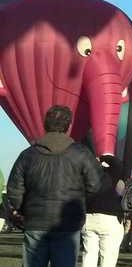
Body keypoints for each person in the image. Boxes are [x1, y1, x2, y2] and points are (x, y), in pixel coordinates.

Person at [4, 105, 102, 267]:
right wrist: (79, 205)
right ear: (69, 125)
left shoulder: (28, 155)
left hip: (35, 222)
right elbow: (95, 186)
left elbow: (14, 190)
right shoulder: (81, 153)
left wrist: (21, 211)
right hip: (68, 223)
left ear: (45, 124)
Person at [81, 155, 128, 267]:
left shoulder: (83, 177)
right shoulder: (110, 175)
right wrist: (102, 157)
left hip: (88, 217)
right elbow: (117, 164)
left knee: (89, 254)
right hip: (109, 218)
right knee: (108, 256)